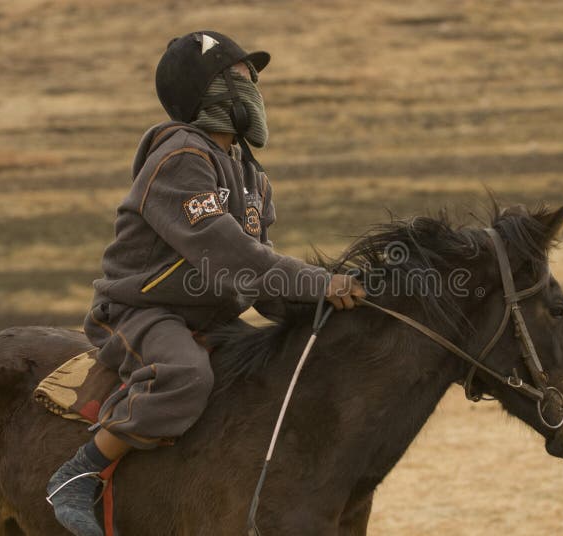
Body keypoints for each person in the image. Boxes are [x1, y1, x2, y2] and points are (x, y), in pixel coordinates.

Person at [46, 31, 365, 536]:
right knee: (184, 376)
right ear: (202, 93)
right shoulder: (179, 160)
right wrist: (320, 282)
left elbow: (262, 284)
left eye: (252, 77)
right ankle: (80, 473)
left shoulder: (253, 179)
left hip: (213, 318)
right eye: (237, 77)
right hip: (142, 312)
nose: (252, 86)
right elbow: (230, 254)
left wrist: (327, 313)